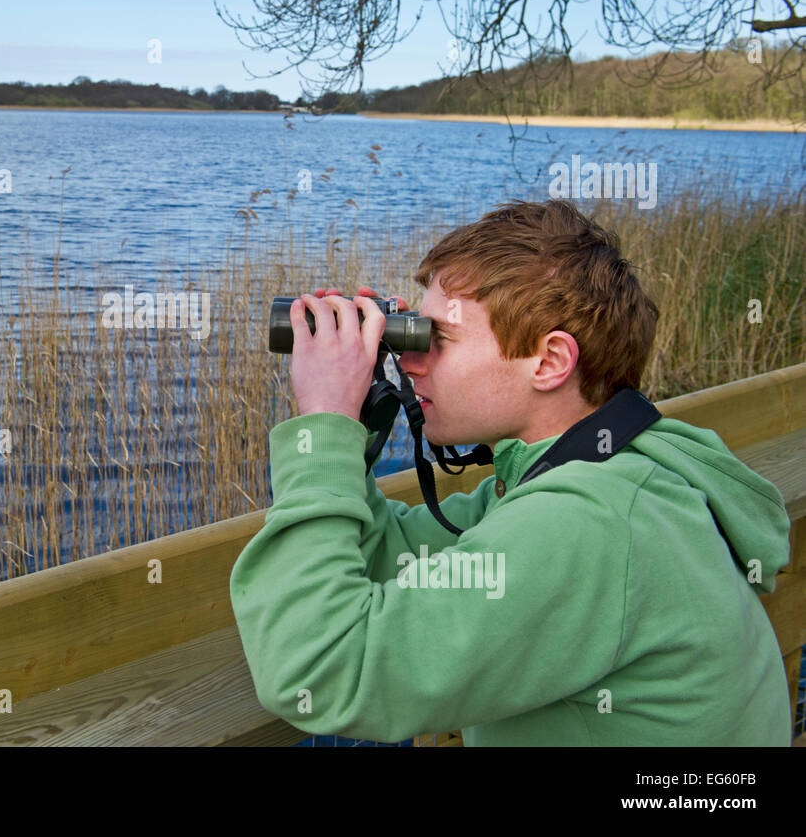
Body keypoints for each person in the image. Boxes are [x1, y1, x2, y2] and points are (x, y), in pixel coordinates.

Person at [229, 199, 792, 745]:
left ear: (548, 362)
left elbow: (318, 669)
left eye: (437, 339)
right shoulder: (615, 467)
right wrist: (357, 417)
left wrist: (323, 418)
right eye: (408, 336)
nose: (411, 358)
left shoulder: (583, 523)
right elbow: (394, 556)